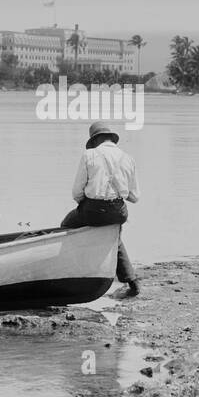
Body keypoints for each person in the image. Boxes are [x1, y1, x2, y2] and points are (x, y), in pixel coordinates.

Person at [61, 121, 141, 297]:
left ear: (95, 140)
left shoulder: (89, 155)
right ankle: (133, 283)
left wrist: (86, 203)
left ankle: (71, 270)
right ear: (111, 139)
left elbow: (77, 192)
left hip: (93, 210)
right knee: (116, 239)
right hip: (119, 211)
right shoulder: (128, 158)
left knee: (66, 225)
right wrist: (119, 190)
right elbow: (134, 197)